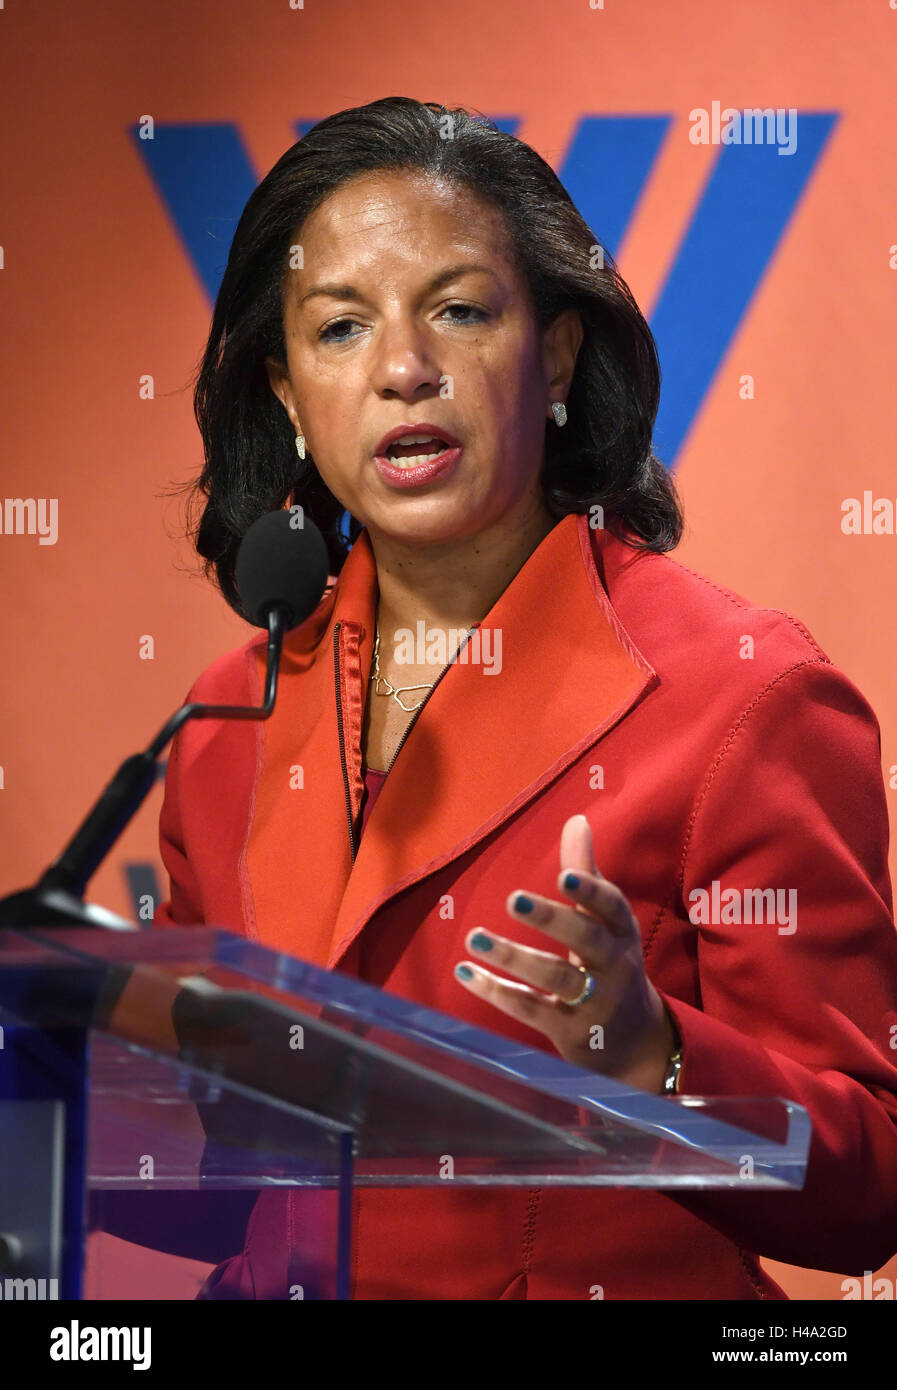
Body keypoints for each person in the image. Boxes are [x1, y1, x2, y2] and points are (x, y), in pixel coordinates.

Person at [154, 96, 897, 1299]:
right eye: (341, 327)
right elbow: (236, 1191)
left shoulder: (742, 695)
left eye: (458, 309)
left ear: (555, 349)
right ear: (285, 390)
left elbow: (870, 1189)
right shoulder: (224, 722)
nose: (403, 369)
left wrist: (648, 1053)